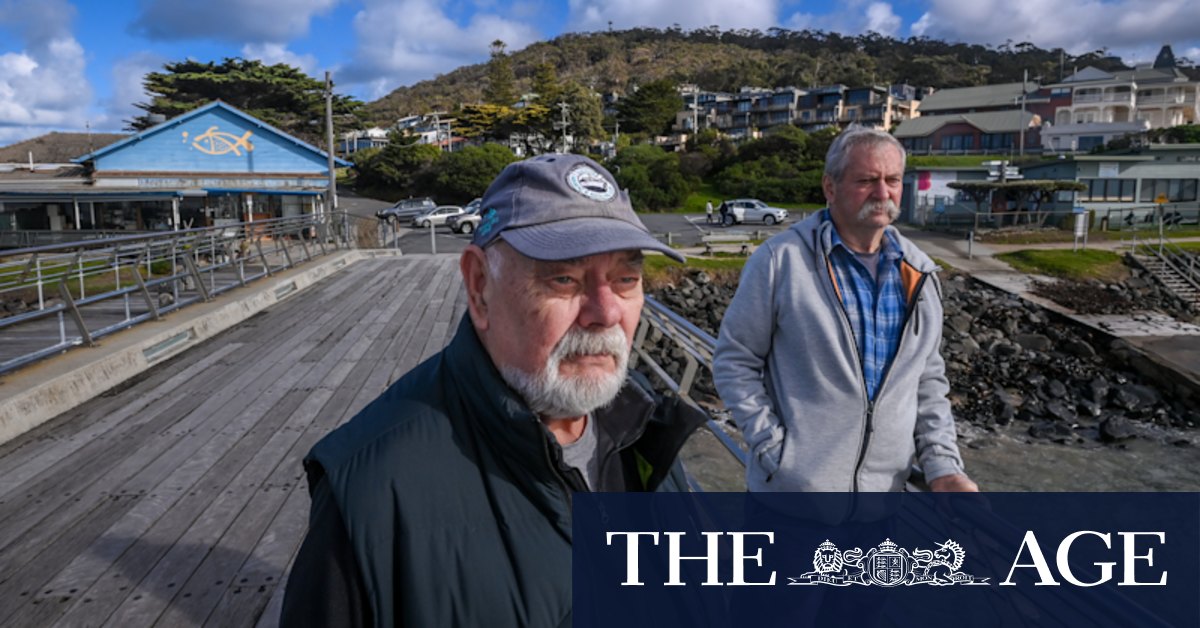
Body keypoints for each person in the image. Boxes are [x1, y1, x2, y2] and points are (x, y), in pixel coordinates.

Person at [280, 154, 705, 627]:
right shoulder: (370, 492)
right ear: (480, 286)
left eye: (625, 279)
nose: (605, 313)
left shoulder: (645, 425)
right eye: (564, 278)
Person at [712, 126, 978, 494]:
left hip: (884, 505)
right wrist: (776, 453)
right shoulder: (779, 262)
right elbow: (734, 361)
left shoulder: (919, 274)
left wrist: (943, 467)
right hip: (790, 502)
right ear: (830, 187)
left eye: (893, 180)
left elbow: (927, 382)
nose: (882, 193)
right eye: (867, 180)